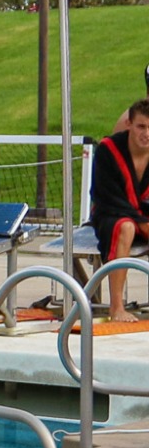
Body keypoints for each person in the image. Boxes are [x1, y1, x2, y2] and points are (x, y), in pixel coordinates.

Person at [91, 98, 149, 318]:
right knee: (126, 227)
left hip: (143, 218)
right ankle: (117, 307)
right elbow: (106, 196)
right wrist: (141, 222)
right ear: (129, 124)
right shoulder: (108, 150)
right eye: (141, 126)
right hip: (110, 215)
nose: (147, 133)